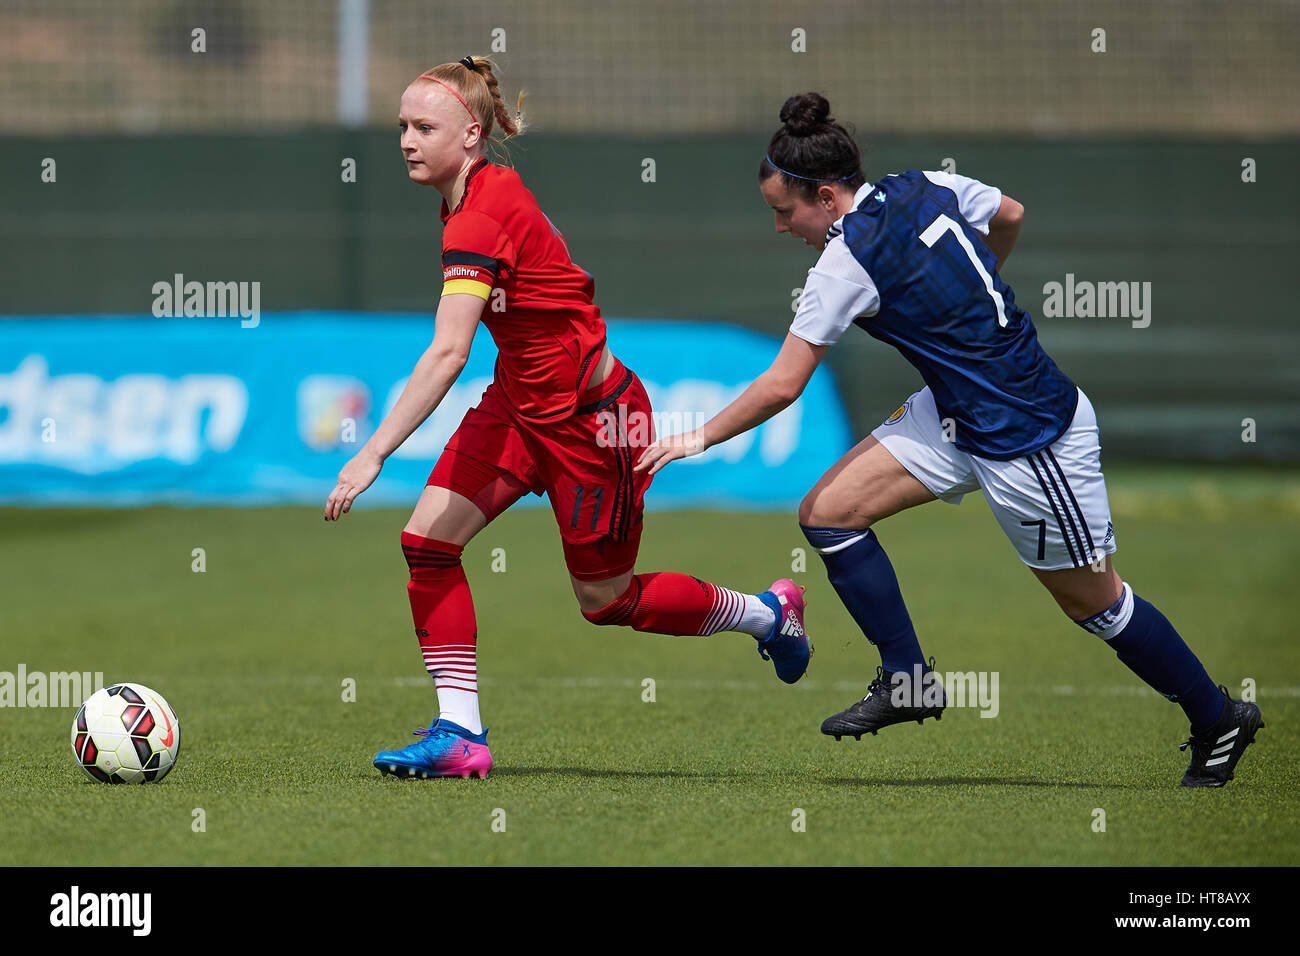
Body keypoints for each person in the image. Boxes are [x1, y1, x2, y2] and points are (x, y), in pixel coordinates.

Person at [636, 92, 1263, 788]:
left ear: (824, 195)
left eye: (786, 212)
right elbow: (1009, 213)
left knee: (1095, 604)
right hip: (959, 414)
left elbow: (784, 385)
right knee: (828, 513)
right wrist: (972, 295)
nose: (783, 228)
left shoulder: (845, 263)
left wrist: (694, 438)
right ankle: (908, 679)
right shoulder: (923, 185)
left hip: (1027, 435)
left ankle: (1217, 718)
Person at [323, 57, 811, 780]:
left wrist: (374, 454)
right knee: (426, 543)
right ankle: (461, 735)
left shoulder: (480, 214)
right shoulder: (471, 197)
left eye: (424, 126)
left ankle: (768, 614)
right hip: (520, 407)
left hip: (594, 423)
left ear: (471, 136)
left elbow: (448, 352)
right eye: (401, 125)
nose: (405, 139)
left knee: (606, 602)